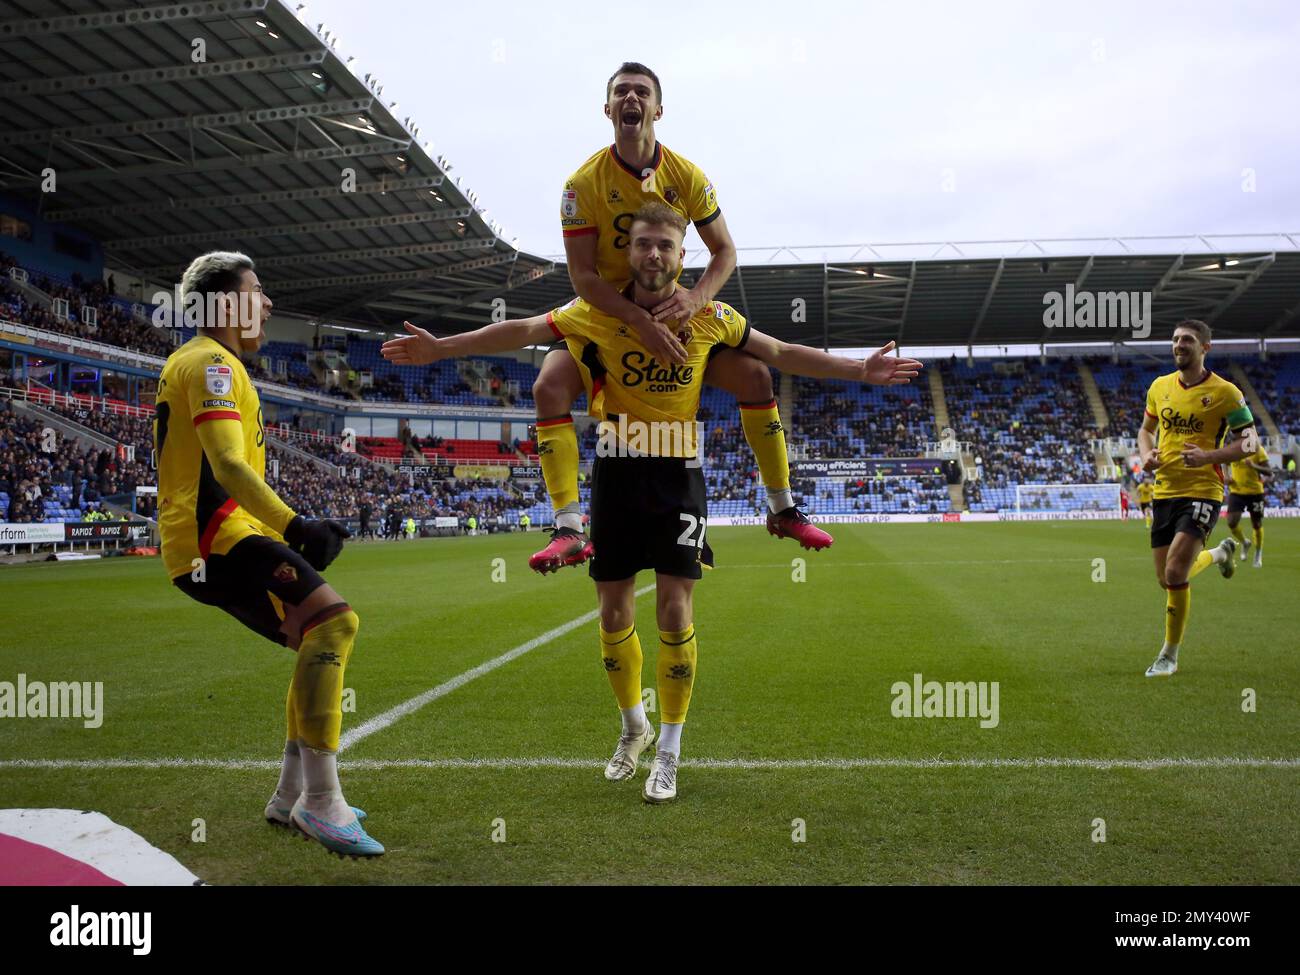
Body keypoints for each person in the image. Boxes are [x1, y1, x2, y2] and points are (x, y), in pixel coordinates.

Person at [382, 203, 921, 801]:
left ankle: (669, 750)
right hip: (616, 467)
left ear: (681, 255)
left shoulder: (713, 316)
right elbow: (521, 331)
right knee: (613, 615)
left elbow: (783, 353)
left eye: (666, 245)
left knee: (673, 610)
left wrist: (860, 370)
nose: (655, 255)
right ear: (630, 251)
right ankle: (631, 728)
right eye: (644, 245)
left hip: (678, 471)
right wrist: (442, 348)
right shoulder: (597, 312)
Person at [518, 62, 830, 575]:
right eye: (621, 92)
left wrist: (694, 300)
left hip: (678, 314)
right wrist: (638, 322)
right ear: (608, 109)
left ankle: (782, 508)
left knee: (755, 374)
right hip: (609, 319)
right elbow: (583, 277)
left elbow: (725, 251)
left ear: (658, 109)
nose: (631, 98)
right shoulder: (582, 184)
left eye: (642, 91)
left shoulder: (687, 177)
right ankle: (569, 527)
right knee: (548, 386)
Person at [155, 250, 381, 856]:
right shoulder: (211, 364)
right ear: (225, 303)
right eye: (257, 290)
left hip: (215, 534)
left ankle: (290, 796)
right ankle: (322, 802)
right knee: (335, 624)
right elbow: (226, 464)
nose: (268, 302)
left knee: (315, 632)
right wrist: (296, 526)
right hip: (214, 534)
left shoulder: (208, 361)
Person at [1138, 319, 1255, 678]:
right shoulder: (1159, 387)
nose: (1179, 345)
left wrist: (1208, 457)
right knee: (1167, 579)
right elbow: (1146, 431)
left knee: (1175, 571)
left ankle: (1169, 655)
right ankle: (1221, 553)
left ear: (1205, 347)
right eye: (1175, 340)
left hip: (1203, 489)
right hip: (1165, 491)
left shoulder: (1226, 393)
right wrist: (1146, 455)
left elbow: (1250, 443)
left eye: (1187, 340)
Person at [1224, 443, 1271, 568]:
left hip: (1255, 493)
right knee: (1231, 522)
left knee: (1257, 524)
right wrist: (1227, 476)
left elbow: (1269, 472)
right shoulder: (1233, 449)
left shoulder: (1258, 450)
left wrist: (1254, 465)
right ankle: (1245, 542)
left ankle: (1258, 552)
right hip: (1236, 491)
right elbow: (1224, 462)